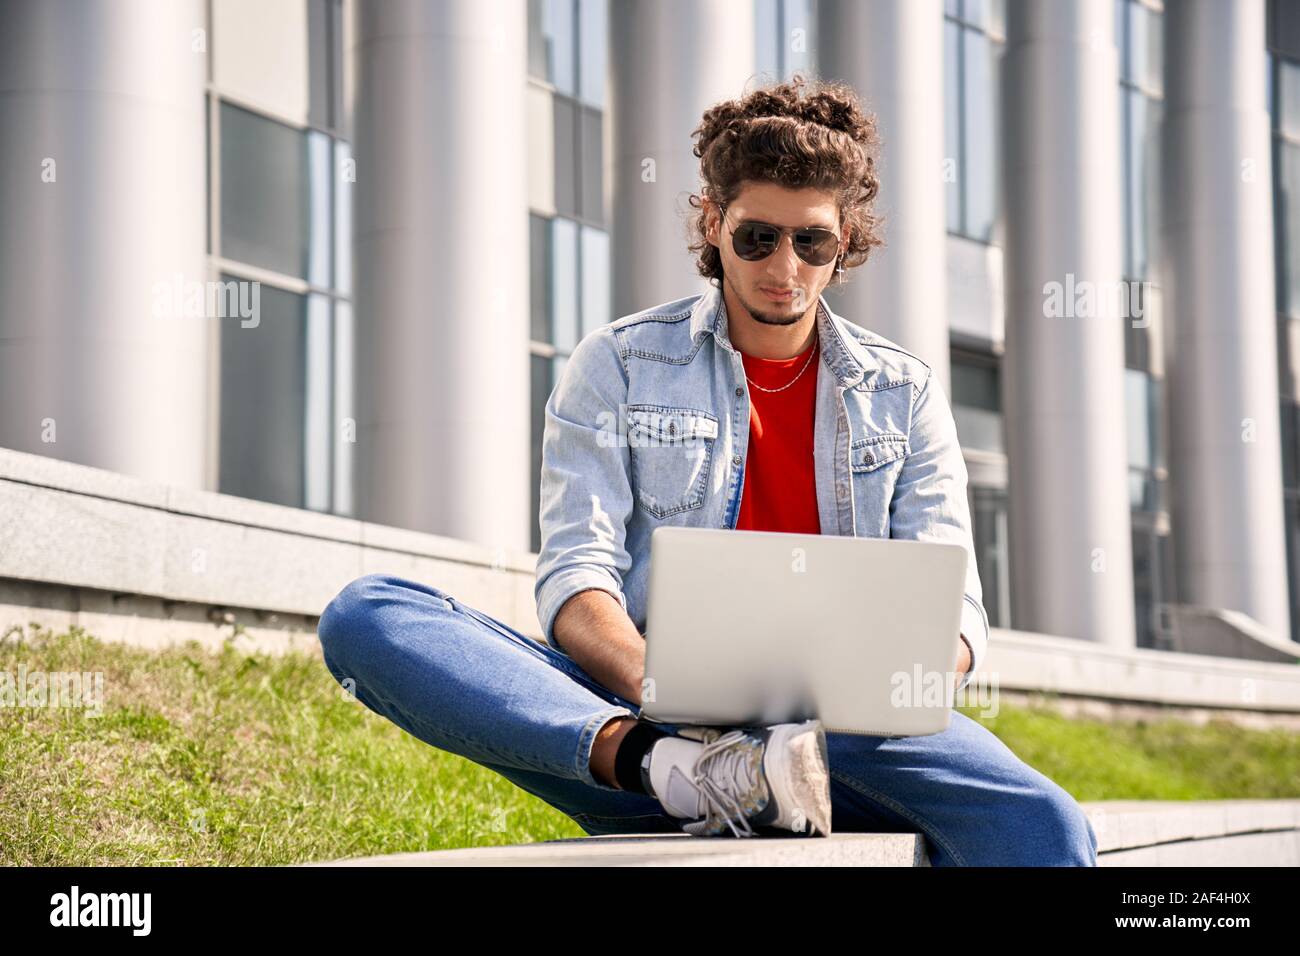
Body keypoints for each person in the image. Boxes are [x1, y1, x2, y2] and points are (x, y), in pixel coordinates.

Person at [317, 75, 1098, 864]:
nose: (783, 266)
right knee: (369, 614)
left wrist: (888, 679)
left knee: (1047, 827)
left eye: (812, 242)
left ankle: (757, 786)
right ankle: (686, 776)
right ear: (715, 223)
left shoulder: (903, 393)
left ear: (844, 242)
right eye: (758, 237)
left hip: (853, 735)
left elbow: (956, 611)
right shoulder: (621, 364)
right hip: (647, 716)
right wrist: (662, 694)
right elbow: (578, 575)